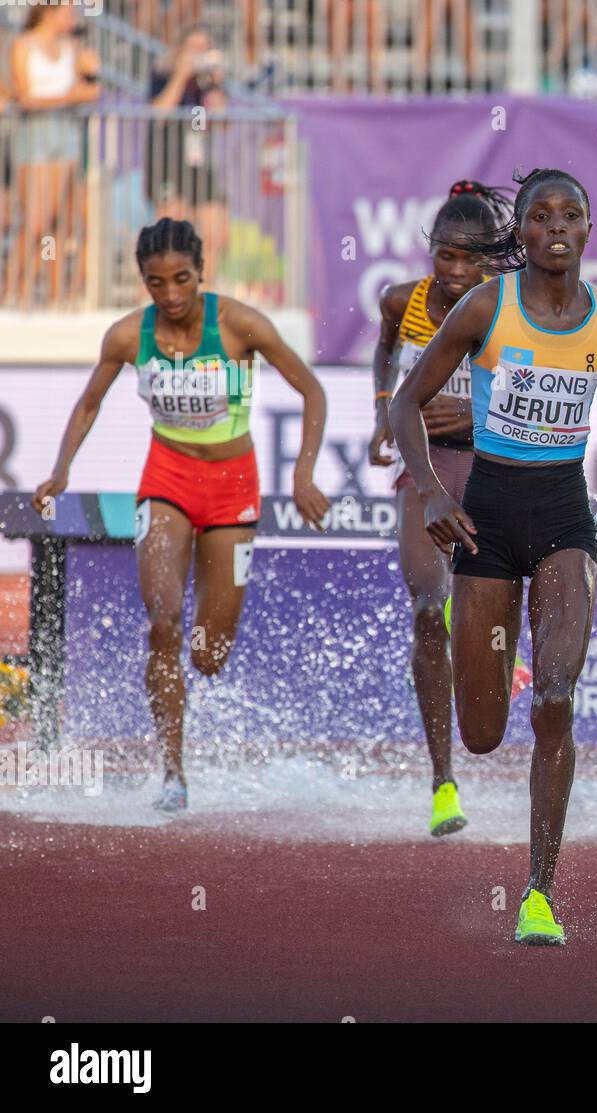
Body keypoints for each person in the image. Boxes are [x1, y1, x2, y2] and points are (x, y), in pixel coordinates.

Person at [390, 167, 597, 944]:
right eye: (542, 215)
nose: (557, 225)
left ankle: (538, 890)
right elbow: (406, 401)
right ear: (523, 235)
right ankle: (502, 658)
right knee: (482, 731)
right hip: (488, 522)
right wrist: (433, 490)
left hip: (565, 518)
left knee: (558, 697)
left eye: (573, 214)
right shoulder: (484, 307)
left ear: (590, 231)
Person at [32, 218, 329, 810]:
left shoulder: (239, 325)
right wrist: (62, 469)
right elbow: (89, 401)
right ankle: (173, 772)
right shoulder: (126, 336)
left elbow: (312, 391)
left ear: (201, 272)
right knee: (163, 620)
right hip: (165, 480)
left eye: (181, 280)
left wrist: (302, 474)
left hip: (232, 489)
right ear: (142, 282)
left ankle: (200, 679)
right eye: (155, 283)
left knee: (207, 655)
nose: (169, 295)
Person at [369, 178, 524, 837]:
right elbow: (385, 351)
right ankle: (442, 781)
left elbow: (526, 396)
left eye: (474, 260)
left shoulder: (507, 311)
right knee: (426, 603)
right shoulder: (402, 301)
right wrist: (386, 408)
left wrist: (475, 409)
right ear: (431, 252)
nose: (458, 272)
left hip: (491, 465)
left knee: (492, 607)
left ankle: (501, 653)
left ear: (493, 262)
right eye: (447, 257)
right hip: (426, 466)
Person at [4, 4, 100, 306]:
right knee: (35, 221)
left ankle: (57, 294)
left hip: (66, 133)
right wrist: (70, 97)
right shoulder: (23, 45)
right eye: (68, 12)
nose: (73, 19)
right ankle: (13, 291)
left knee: (62, 223)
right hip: (36, 135)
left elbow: (90, 92)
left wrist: (90, 76)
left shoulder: (73, 47)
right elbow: (24, 96)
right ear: (49, 12)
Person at [148, 24, 230, 279]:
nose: (198, 55)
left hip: (199, 163)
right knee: (172, 236)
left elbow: (223, 123)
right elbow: (158, 114)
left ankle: (205, 289)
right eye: (193, 49)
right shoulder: (163, 75)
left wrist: (215, 87)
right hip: (168, 160)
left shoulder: (206, 85)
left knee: (218, 234)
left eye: (204, 49)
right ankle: (166, 292)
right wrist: (181, 76)